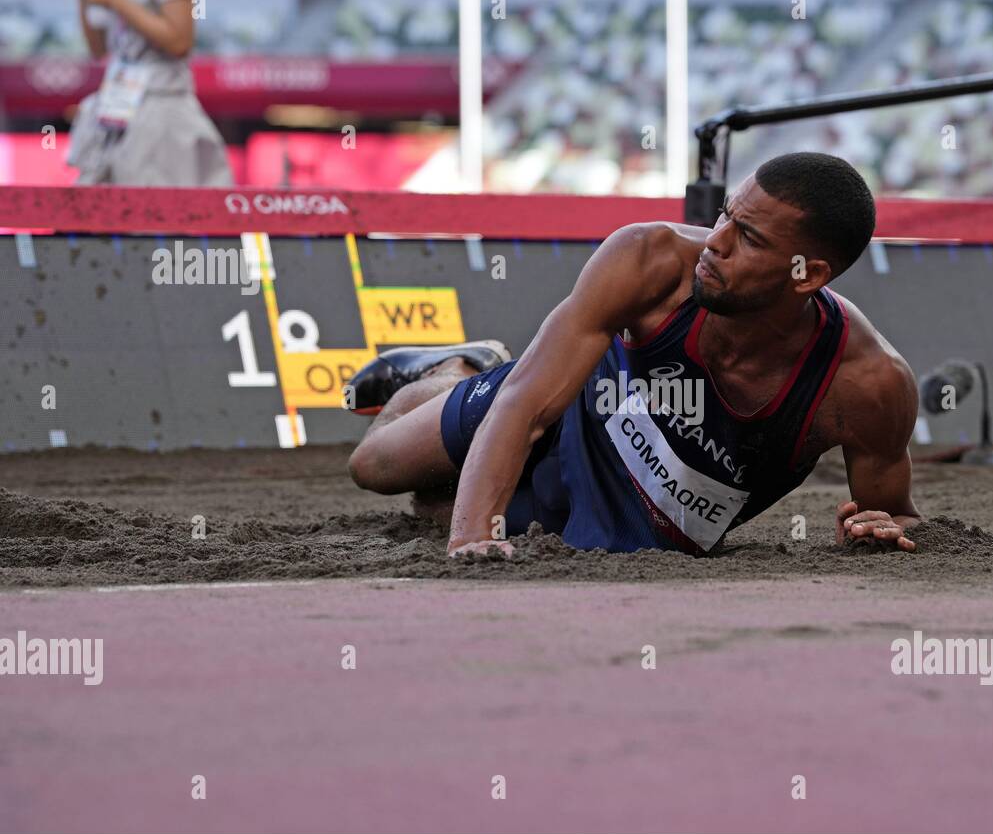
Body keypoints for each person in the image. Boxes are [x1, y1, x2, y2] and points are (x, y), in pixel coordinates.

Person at [347, 152, 921, 556]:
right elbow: (525, 405)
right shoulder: (651, 258)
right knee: (375, 467)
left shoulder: (869, 385)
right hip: (565, 402)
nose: (714, 242)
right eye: (724, 213)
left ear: (809, 274)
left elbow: (900, 514)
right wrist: (472, 541)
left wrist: (879, 530)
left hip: (633, 519)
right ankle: (458, 370)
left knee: (431, 509)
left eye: (748, 238)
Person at [68, 0, 232, 186]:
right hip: (115, 102)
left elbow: (180, 41)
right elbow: (97, 49)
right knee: (97, 207)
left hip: (163, 105)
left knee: (156, 209)